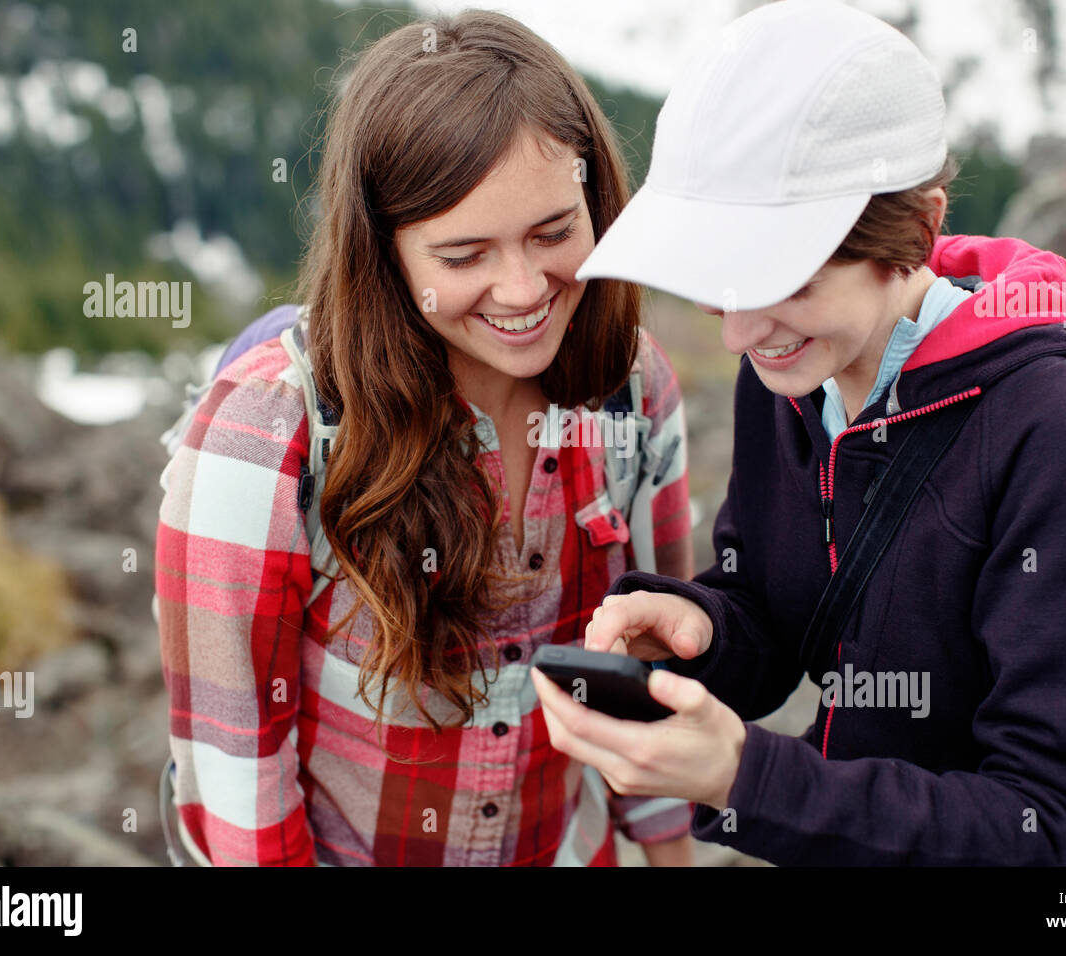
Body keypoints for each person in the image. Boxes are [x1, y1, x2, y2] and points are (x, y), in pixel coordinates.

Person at [531, 0, 1066, 866]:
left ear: (914, 231)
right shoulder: (790, 365)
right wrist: (701, 631)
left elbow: (1058, 827)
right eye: (720, 285)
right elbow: (779, 607)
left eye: (782, 279)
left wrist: (747, 781)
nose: (737, 333)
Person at [155, 10, 696, 866]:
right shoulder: (265, 433)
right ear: (386, 255)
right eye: (464, 253)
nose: (523, 288)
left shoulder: (632, 388)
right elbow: (236, 772)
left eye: (555, 233)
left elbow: (655, 673)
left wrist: (671, 851)